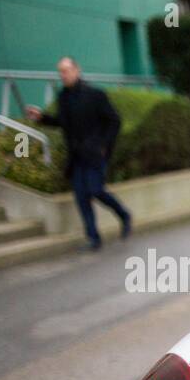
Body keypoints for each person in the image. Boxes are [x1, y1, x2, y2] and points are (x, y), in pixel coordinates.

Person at [27, 57, 131, 252]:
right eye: (60, 72)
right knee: (82, 197)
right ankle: (93, 238)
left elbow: (114, 121)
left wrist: (103, 145)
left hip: (94, 154)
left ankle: (124, 215)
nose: (63, 75)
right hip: (75, 157)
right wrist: (41, 118)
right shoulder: (63, 97)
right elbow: (61, 122)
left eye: (66, 70)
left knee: (96, 190)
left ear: (77, 70)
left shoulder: (95, 95)